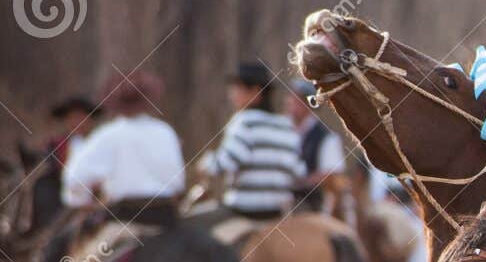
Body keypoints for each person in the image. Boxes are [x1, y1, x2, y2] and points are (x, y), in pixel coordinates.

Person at [61, 71, 185, 233]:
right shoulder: (165, 131)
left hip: (123, 219)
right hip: (166, 217)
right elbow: (178, 182)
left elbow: (74, 178)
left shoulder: (109, 134)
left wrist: (82, 203)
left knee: (60, 250)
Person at [207, 60, 304, 220]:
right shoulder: (287, 126)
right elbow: (298, 172)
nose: (233, 94)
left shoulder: (244, 122)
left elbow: (225, 163)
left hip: (243, 212)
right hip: (279, 215)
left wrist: (207, 163)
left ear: (256, 92)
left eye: (238, 88)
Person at [285, 77, 344, 211]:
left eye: (296, 99)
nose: (290, 102)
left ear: (308, 104)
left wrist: (299, 183)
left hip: (313, 206)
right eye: (291, 97)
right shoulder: (283, 130)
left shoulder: (327, 138)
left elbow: (331, 175)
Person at [46, 95, 97, 171]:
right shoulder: (56, 146)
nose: (77, 122)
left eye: (81, 117)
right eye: (72, 118)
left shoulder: (100, 142)